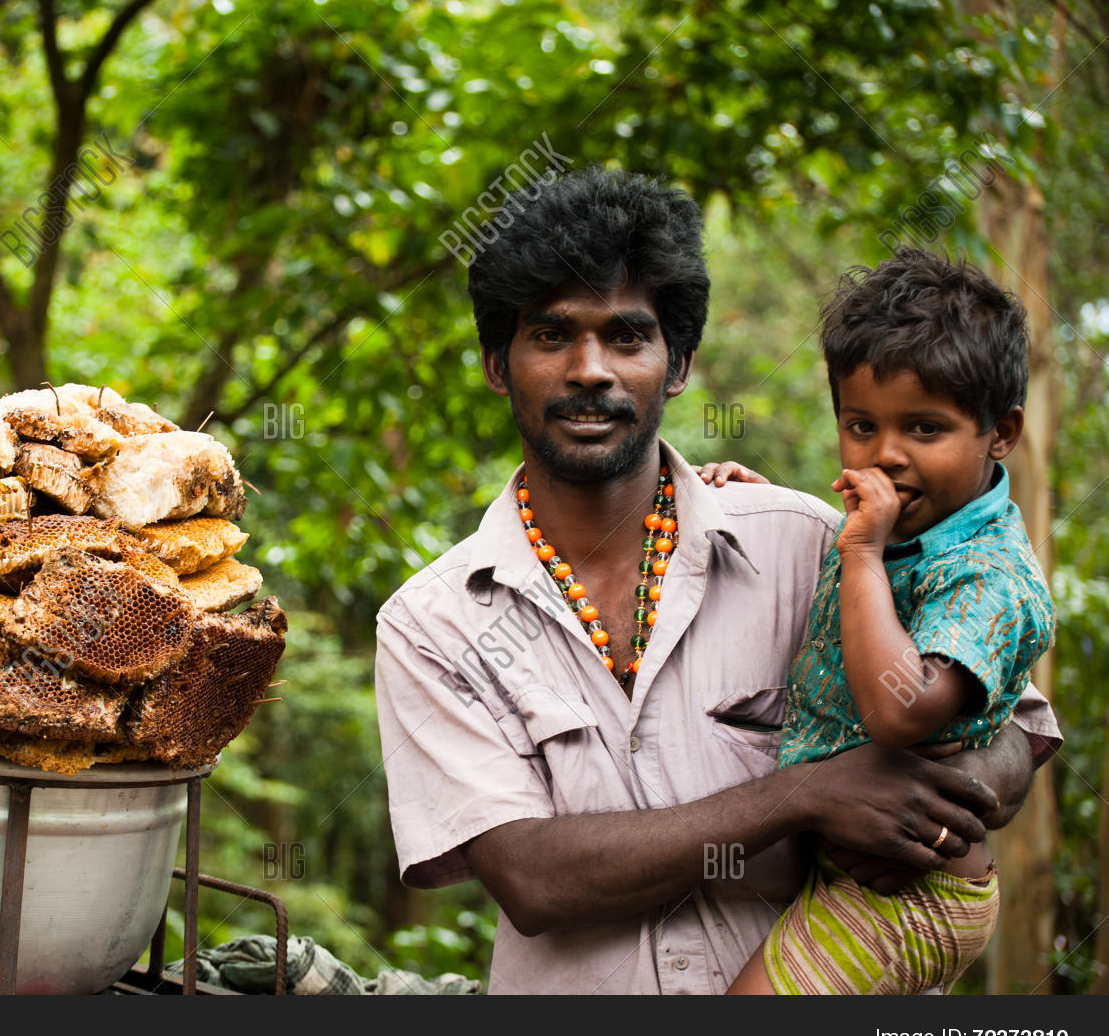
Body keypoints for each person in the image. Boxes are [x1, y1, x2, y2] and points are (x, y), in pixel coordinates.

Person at [373, 166, 1060, 994]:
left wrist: (940, 803)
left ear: (678, 364)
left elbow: (1014, 724)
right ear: (496, 363)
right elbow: (533, 879)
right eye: (552, 336)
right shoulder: (432, 625)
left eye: (627, 337)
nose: (590, 369)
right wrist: (805, 797)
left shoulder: (817, 547)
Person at [716, 249, 1054, 994]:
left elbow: (904, 710)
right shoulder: (910, 533)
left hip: (914, 897)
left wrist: (862, 548)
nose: (886, 457)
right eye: (861, 425)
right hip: (852, 873)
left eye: (925, 429)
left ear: (1000, 433)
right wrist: (754, 502)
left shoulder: (988, 574)